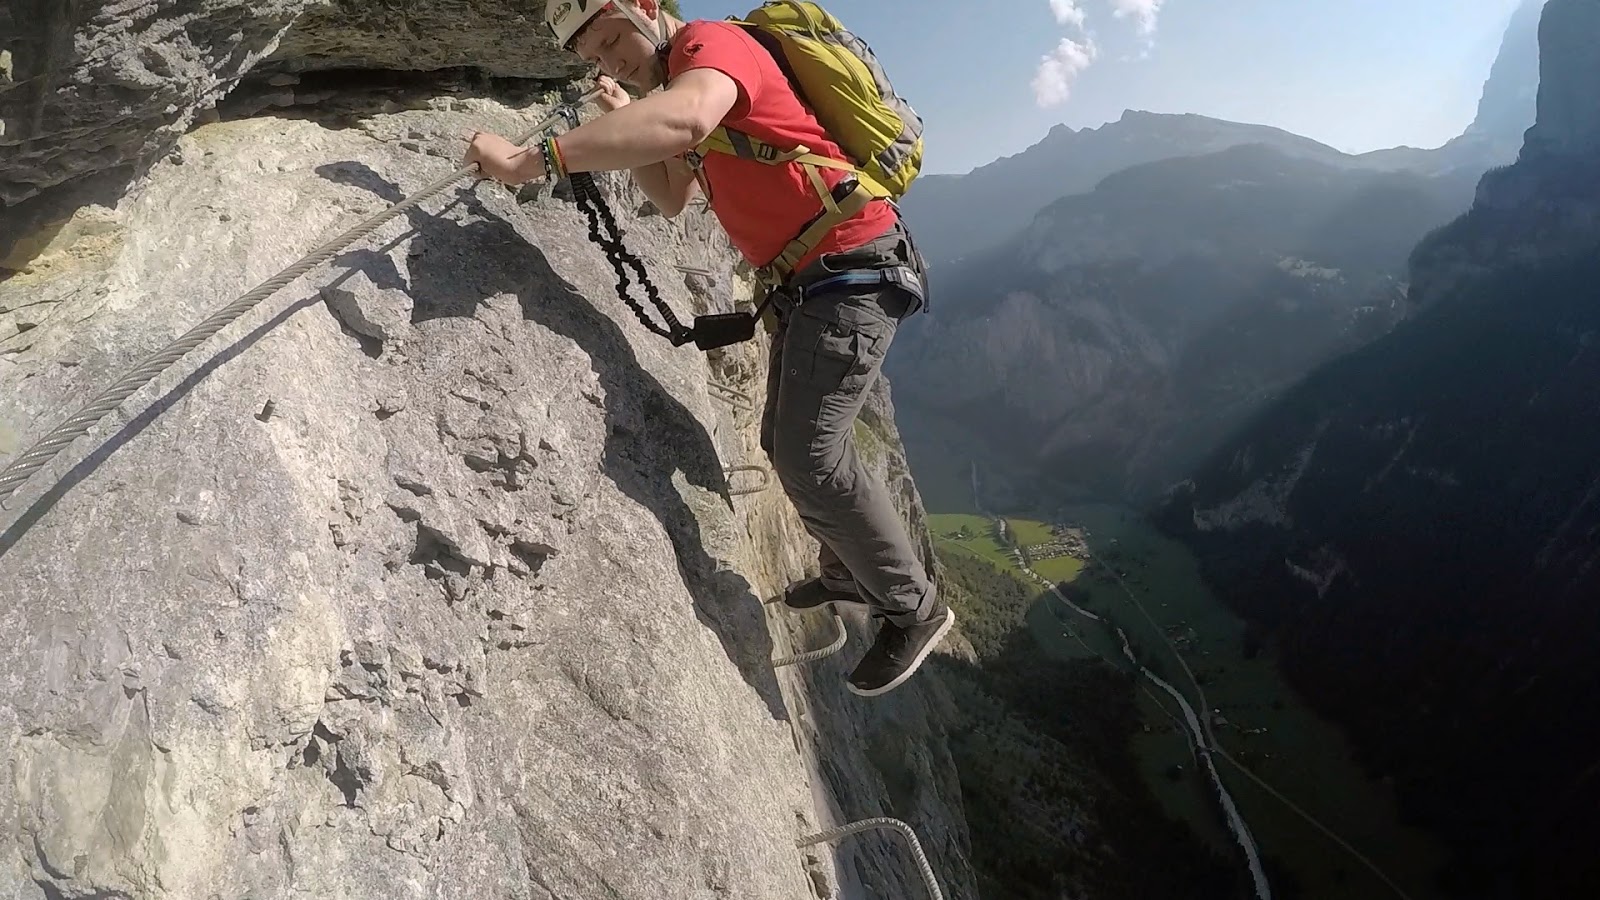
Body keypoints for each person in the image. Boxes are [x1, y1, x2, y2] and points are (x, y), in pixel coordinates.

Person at [463, 0, 954, 697]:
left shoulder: (710, 46)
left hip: (850, 269)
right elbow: (668, 194)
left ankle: (912, 606)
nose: (612, 59)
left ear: (645, 7)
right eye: (595, 56)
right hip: (817, 279)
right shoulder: (678, 86)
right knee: (788, 439)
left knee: (810, 453)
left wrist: (528, 160)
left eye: (611, 38)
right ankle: (849, 565)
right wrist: (618, 114)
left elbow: (688, 118)